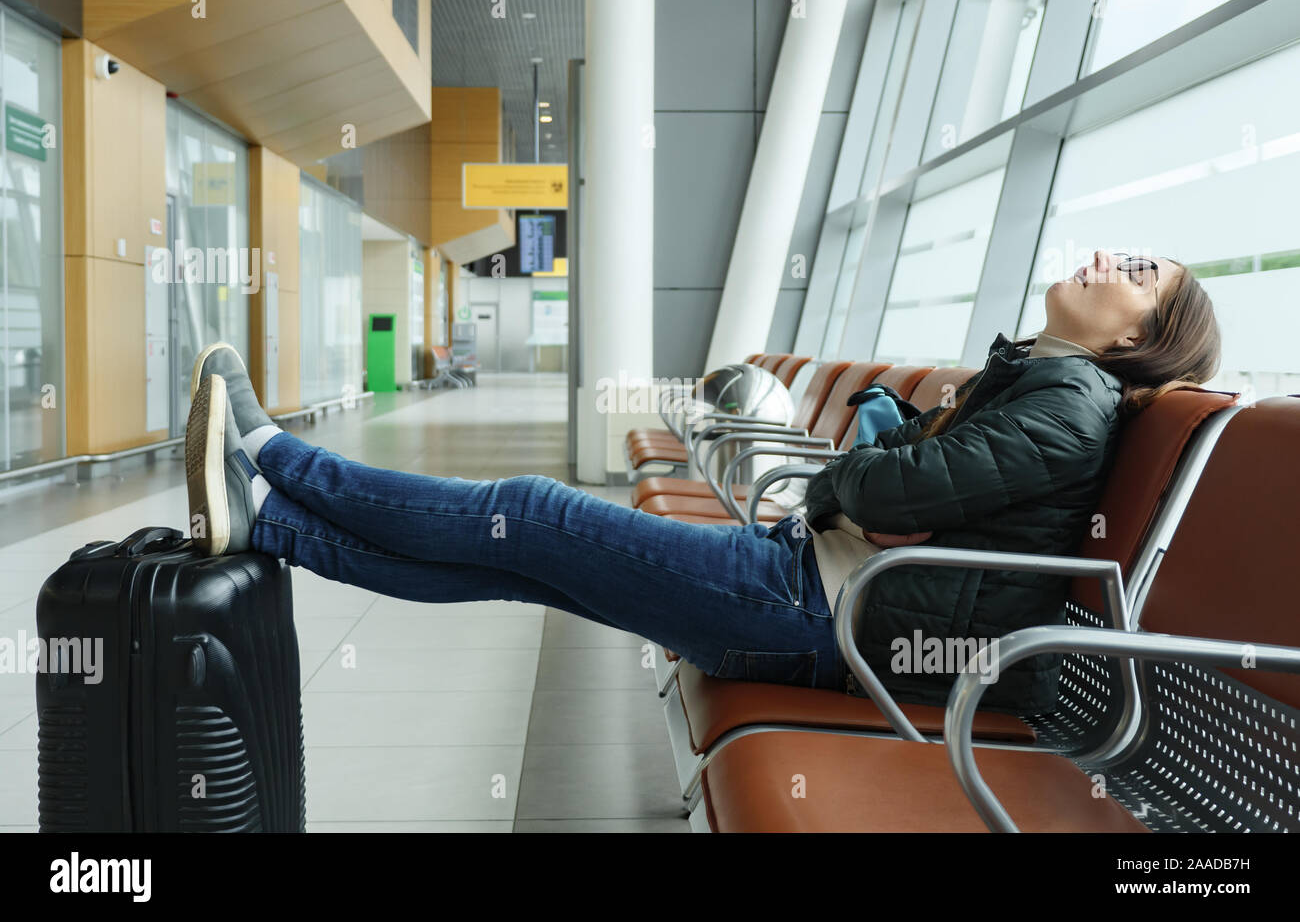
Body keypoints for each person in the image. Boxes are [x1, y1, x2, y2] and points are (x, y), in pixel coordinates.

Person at [184, 249, 1220, 714]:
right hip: (817, 588)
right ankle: (269, 524)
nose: (1104, 259)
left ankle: (275, 457)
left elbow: (890, 493)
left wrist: (854, 471)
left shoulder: (1069, 399)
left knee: (527, 514)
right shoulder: (1043, 382)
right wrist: (875, 458)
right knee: (524, 562)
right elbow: (915, 475)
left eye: (1136, 274)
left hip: (818, 614)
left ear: (1140, 338)